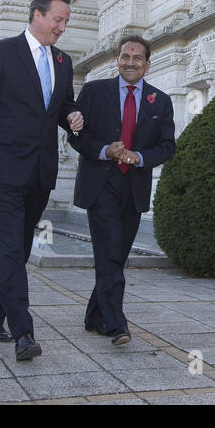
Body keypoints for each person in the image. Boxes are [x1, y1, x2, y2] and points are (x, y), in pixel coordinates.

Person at [0, 0, 84, 361]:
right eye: (57, 20)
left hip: (41, 171)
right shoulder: (1, 52)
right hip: (2, 168)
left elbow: (62, 106)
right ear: (36, 15)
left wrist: (73, 117)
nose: (62, 28)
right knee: (9, 249)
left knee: (19, 249)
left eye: (65, 22)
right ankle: (23, 332)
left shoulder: (63, 61)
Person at [69, 35, 175, 345]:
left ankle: (94, 314)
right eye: (125, 56)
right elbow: (76, 137)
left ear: (147, 63)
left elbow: (167, 146)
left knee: (114, 254)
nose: (130, 62)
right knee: (110, 249)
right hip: (100, 183)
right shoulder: (93, 91)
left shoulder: (161, 100)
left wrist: (139, 156)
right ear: (117, 60)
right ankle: (115, 323)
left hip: (134, 185)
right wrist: (105, 150)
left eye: (137, 58)